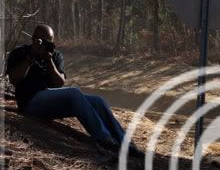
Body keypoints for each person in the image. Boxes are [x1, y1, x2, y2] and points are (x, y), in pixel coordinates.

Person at [5, 24, 139, 156]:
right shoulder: (20, 52)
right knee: (74, 92)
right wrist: (31, 57)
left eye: (48, 41)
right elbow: (14, 79)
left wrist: (49, 60)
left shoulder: (55, 55)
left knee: (98, 101)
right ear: (33, 38)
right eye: (41, 40)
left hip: (51, 103)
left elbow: (59, 83)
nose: (44, 44)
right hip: (30, 102)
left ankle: (126, 144)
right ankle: (105, 139)